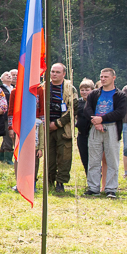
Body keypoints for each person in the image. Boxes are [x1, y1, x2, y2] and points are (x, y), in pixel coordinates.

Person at [83, 68, 127, 197]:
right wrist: (95, 122)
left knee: (112, 159)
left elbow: (121, 112)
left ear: (113, 78)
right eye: (101, 76)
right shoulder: (94, 94)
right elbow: (87, 109)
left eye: (106, 77)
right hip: (95, 127)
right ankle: (93, 187)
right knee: (94, 159)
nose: (103, 79)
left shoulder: (120, 95)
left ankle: (111, 188)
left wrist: (103, 119)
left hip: (112, 127)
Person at [41, 63, 77, 193]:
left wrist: (57, 124)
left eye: (57, 72)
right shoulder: (43, 87)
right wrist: (46, 123)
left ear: (64, 74)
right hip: (46, 126)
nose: (54, 74)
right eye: (52, 71)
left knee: (64, 156)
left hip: (63, 128)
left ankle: (60, 182)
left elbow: (73, 108)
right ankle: (48, 181)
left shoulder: (69, 88)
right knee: (49, 156)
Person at [75, 78, 94, 175]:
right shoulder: (78, 102)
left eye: (87, 90)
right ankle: (89, 178)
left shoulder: (94, 102)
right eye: (82, 90)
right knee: (84, 158)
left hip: (93, 134)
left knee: (94, 158)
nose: (84, 92)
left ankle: (96, 178)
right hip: (81, 134)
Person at [0, 70, 15, 164]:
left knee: (9, 135)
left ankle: (0, 155)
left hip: (14, 114)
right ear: (1, 79)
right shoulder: (0, 89)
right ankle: (7, 158)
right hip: (5, 115)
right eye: (6, 75)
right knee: (8, 134)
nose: (9, 76)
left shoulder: (14, 88)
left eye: (10, 75)